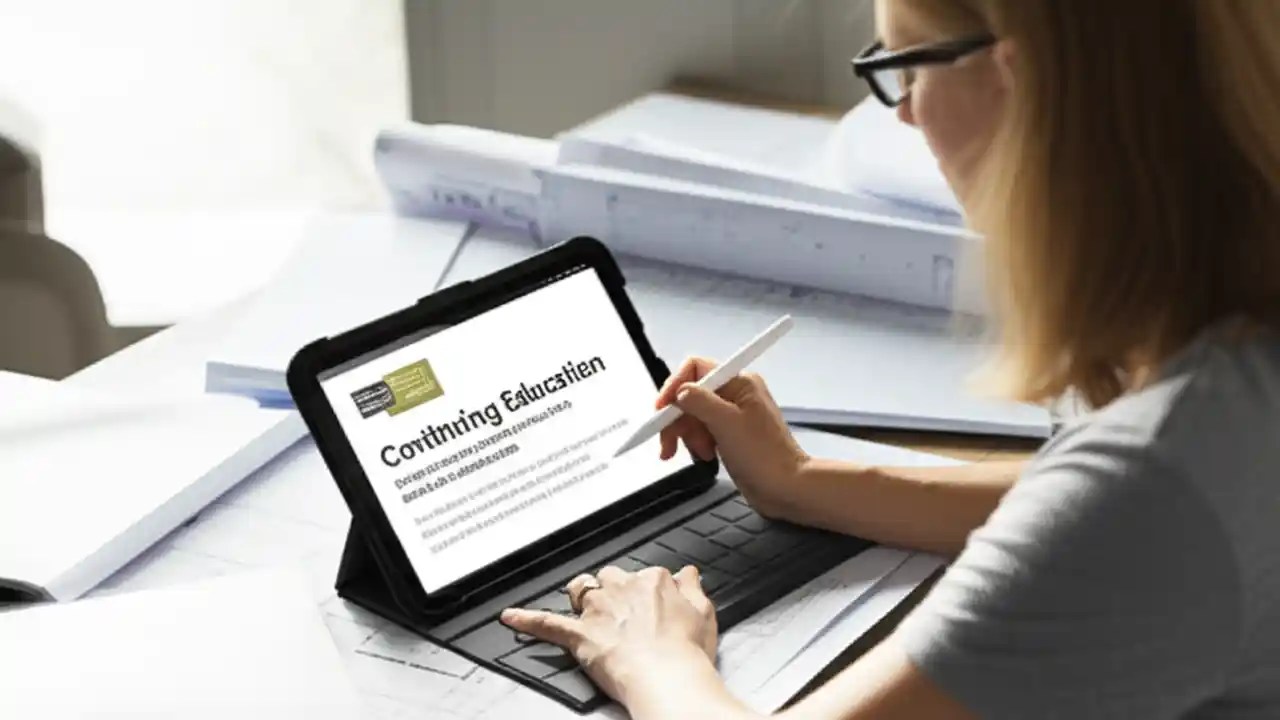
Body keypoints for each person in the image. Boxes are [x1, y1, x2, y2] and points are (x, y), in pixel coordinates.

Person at [502, 0, 1280, 717]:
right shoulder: (1218, 347)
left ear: (1025, 84)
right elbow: (1077, 492)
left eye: (907, 67)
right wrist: (804, 484)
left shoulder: (1158, 484)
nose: (903, 113)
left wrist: (654, 657)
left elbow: (1122, 510)